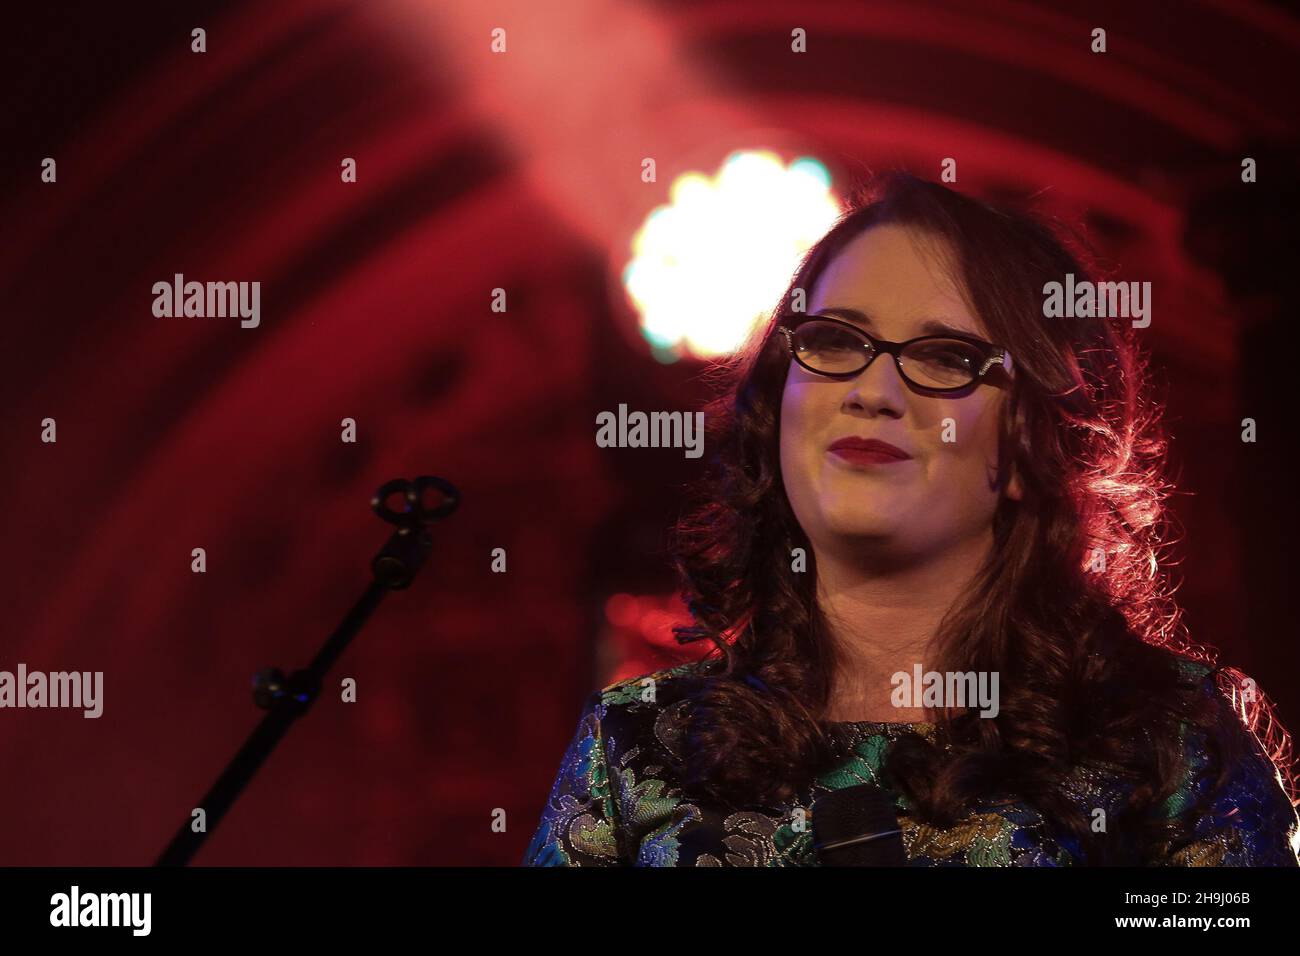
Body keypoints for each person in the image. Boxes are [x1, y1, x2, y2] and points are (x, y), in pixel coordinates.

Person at [522, 172, 1300, 866]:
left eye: (944, 356)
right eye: (835, 340)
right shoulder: (632, 753)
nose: (872, 388)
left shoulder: (1173, 752)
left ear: (1037, 439)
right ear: (775, 409)